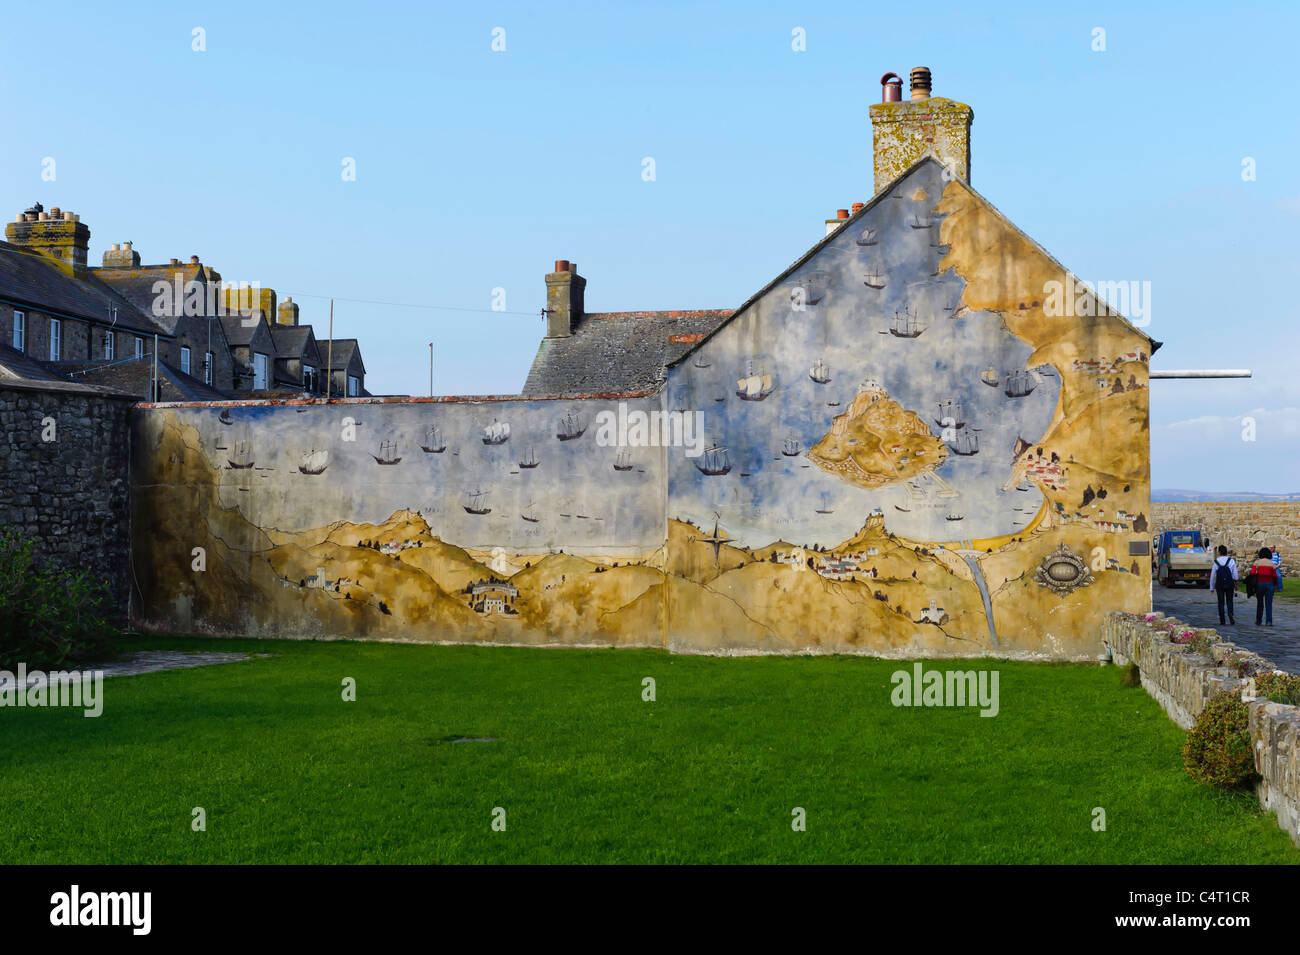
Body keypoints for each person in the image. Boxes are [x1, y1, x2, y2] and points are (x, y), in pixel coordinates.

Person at [1246, 547, 1283, 626]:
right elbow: (1275, 576)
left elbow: (1252, 573)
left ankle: (1258, 620)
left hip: (1259, 584)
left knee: (1260, 603)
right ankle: (1269, 621)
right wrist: (1275, 585)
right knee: (1269, 604)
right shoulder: (1271, 564)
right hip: (1269, 584)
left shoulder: (1257, 563)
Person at [1209, 545, 1237, 625]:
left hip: (1220, 584)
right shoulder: (1231, 561)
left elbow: (1212, 575)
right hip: (1229, 583)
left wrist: (1212, 587)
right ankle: (1230, 613)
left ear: (1219, 552)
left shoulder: (1216, 561)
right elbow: (1235, 574)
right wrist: (1236, 580)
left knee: (1221, 602)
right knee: (1229, 600)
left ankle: (1222, 619)